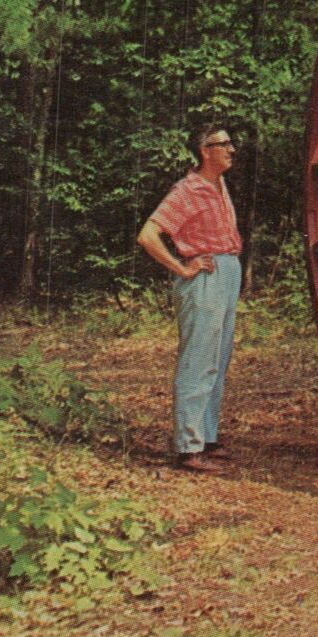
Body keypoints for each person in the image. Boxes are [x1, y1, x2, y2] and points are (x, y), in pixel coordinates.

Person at [136, 125, 243, 475]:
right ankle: (187, 448)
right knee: (198, 359)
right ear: (204, 151)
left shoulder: (220, 184)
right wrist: (182, 269)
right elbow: (148, 235)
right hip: (204, 276)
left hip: (228, 270)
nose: (231, 149)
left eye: (231, 143)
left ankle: (206, 437)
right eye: (222, 144)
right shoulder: (187, 190)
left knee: (218, 357)